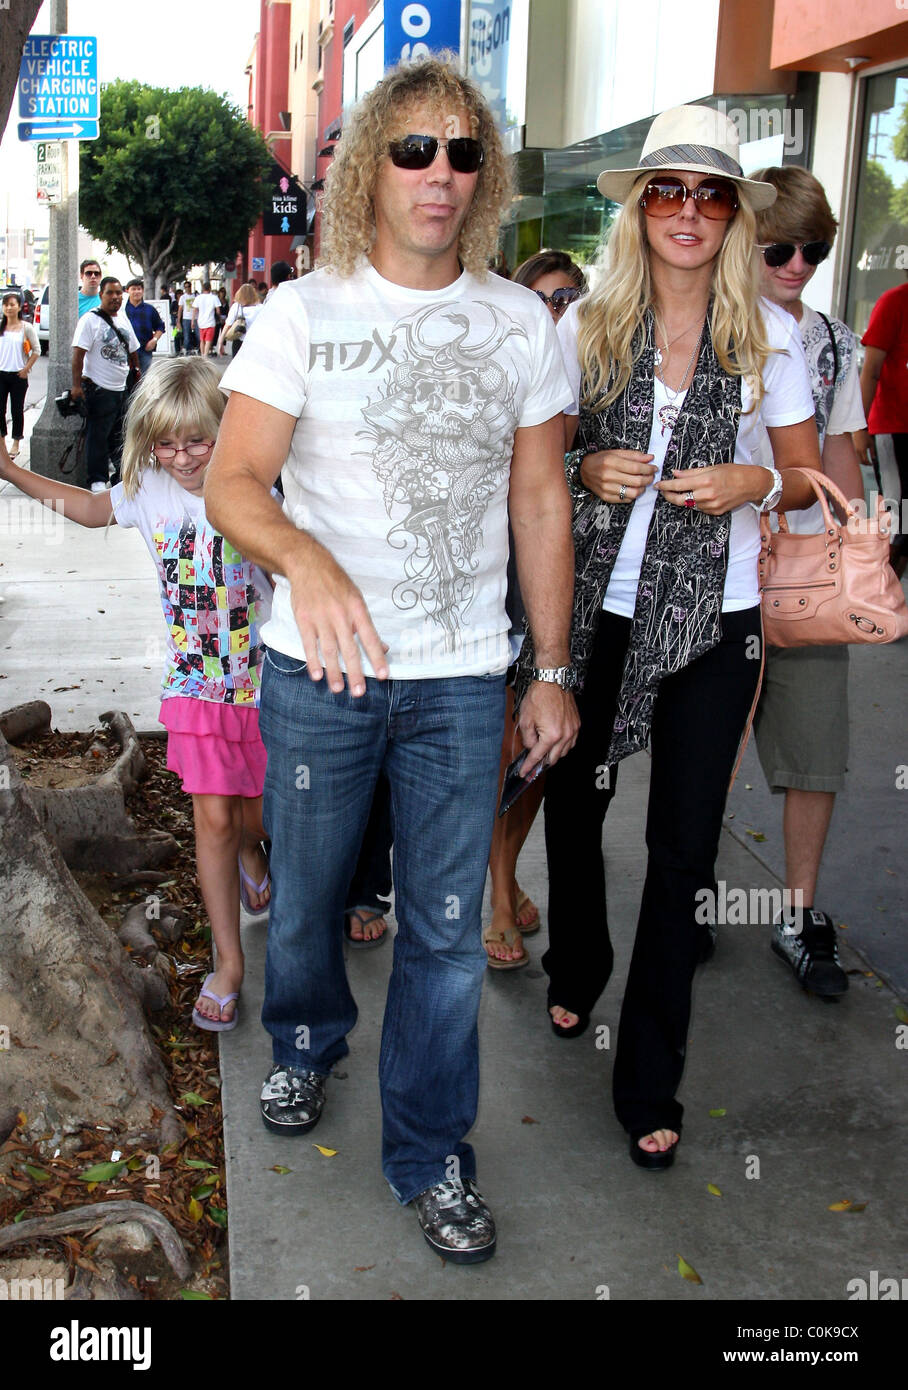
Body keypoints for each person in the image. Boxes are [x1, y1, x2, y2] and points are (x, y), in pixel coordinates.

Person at [204, 55, 578, 1264]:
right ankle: (306, 1042)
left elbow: (538, 501)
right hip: (318, 674)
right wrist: (306, 563)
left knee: (443, 925)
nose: (440, 173)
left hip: (462, 677)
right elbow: (231, 483)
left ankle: (431, 1154)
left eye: (463, 152)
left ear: (485, 176)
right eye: (414, 149)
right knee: (308, 901)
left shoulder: (522, 322)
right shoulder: (303, 314)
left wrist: (554, 666)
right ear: (372, 164)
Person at [529, 104, 820, 1170]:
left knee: (681, 844)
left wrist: (759, 481)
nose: (686, 210)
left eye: (707, 193)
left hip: (720, 611)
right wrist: (579, 467)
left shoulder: (771, 337)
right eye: (665, 190)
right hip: (599, 605)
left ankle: (648, 1074)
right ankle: (576, 960)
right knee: (574, 793)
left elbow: (807, 478)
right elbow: (533, 465)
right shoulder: (583, 325)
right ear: (639, 209)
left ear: (733, 214)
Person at [0, 358, 272, 1032]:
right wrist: (9, 471)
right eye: (166, 442)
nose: (181, 457)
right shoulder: (147, 488)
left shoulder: (262, 482)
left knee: (258, 818)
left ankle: (254, 855)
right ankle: (229, 962)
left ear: (228, 428)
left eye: (198, 440)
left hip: (272, 685)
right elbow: (91, 511)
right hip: (198, 686)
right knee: (212, 819)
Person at [747, 165, 866, 997]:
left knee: (816, 750)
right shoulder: (709, 327)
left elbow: (843, 452)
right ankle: (685, 904)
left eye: (814, 251)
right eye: (779, 249)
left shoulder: (833, 342)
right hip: (714, 569)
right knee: (702, 748)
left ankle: (796, 912)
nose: (796, 266)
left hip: (806, 575)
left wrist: (854, 552)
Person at [484, 249, 588, 967]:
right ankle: (494, 898)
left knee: (541, 751)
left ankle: (509, 869)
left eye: (568, 298)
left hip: (561, 577)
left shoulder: (588, 361)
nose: (556, 311)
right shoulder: (504, 361)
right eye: (543, 299)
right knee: (497, 748)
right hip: (494, 574)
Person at [856, 276, 908, 577]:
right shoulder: (894, 301)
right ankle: (873, 598)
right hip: (893, 428)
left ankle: (890, 604)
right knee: (899, 521)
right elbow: (871, 370)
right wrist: (859, 429)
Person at [71, 277, 140, 493]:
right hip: (99, 389)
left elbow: (133, 349)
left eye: (119, 293)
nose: (115, 297)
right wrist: (76, 386)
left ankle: (120, 476)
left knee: (119, 436)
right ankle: (97, 479)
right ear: (101, 295)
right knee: (98, 436)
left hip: (121, 390)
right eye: (110, 293)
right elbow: (77, 355)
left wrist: (137, 372)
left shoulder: (123, 319)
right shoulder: (89, 321)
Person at [0, 292, 40, 458]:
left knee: (17, 410)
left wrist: (26, 369)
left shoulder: (26, 328)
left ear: (18, 307)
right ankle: (2, 442)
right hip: (1, 374)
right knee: (0, 410)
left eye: (12, 304)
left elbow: (37, 350)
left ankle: (16, 442)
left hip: (18, 376)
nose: (9, 308)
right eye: (6, 304)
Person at [123, 279, 166, 376]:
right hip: (126, 351)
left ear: (143, 291)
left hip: (144, 350)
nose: (136, 292)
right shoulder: (122, 309)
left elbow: (160, 327)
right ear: (127, 291)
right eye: (133, 289)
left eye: (139, 289)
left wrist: (154, 340)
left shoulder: (150, 309)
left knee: (144, 379)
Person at [216, 283, 262, 357]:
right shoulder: (260, 308)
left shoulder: (236, 307)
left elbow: (227, 325)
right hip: (255, 342)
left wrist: (220, 342)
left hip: (238, 341)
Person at [193, 281, 221, 358]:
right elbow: (218, 310)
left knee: (202, 340)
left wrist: (192, 321)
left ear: (203, 288)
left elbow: (195, 310)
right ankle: (205, 354)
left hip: (201, 322)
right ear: (210, 288)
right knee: (208, 340)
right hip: (210, 322)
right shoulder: (214, 297)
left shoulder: (198, 298)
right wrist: (219, 317)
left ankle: (202, 354)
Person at [177, 280, 198, 355]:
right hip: (186, 319)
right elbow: (180, 309)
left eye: (188, 287)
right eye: (185, 287)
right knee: (186, 336)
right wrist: (178, 321)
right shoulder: (183, 297)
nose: (187, 288)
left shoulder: (196, 296)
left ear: (191, 287)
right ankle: (186, 350)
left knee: (198, 335)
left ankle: (197, 349)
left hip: (196, 318)